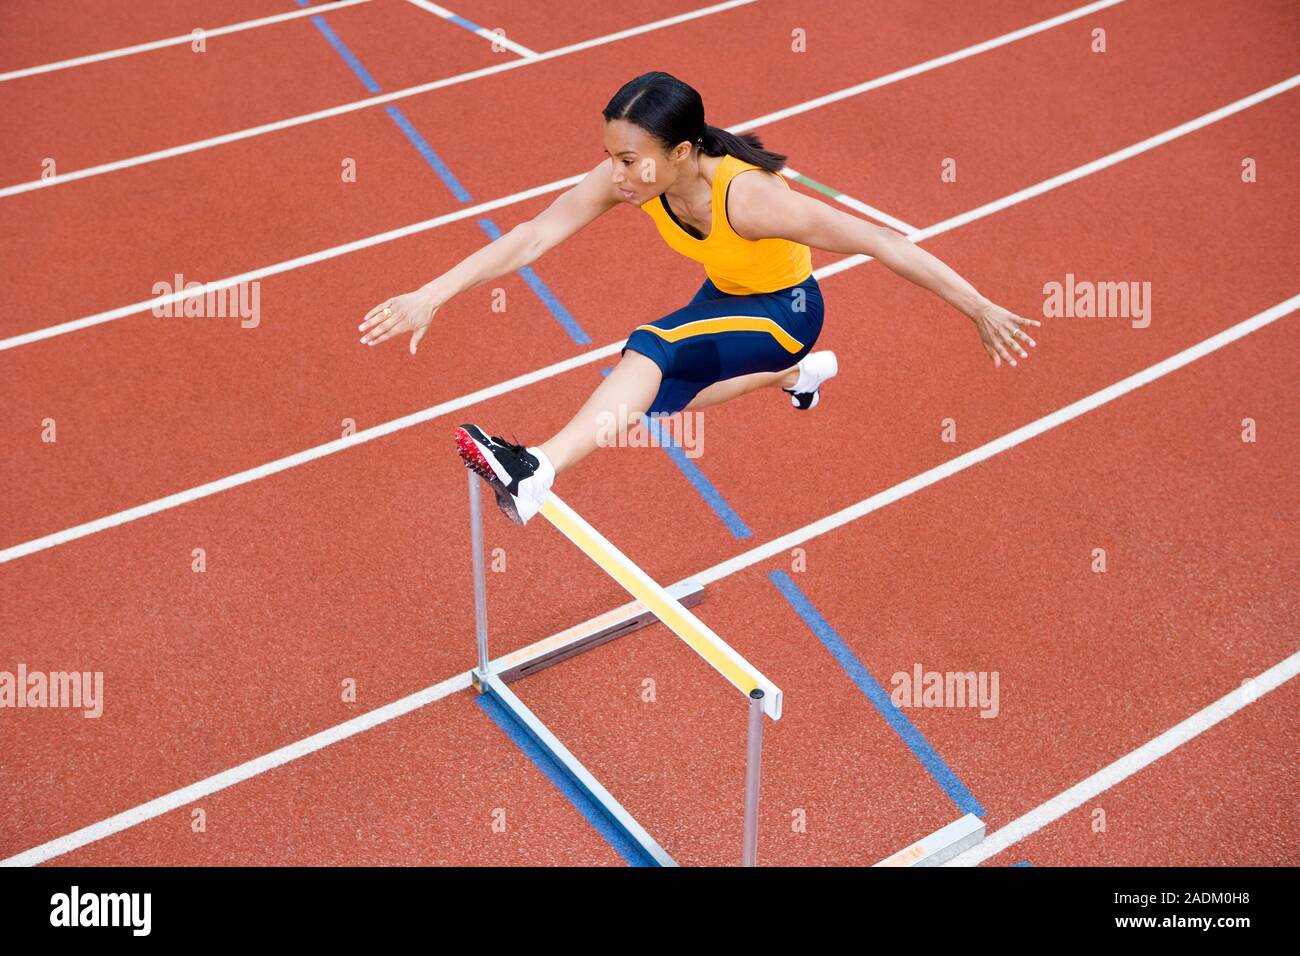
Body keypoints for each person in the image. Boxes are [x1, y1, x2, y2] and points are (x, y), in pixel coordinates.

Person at [358, 72, 1038, 525]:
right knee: (650, 399)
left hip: (786, 312)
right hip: (728, 295)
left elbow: (883, 243)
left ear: (682, 152)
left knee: (652, 346)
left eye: (629, 160)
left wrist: (978, 306)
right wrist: (433, 294)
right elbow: (533, 236)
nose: (616, 174)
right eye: (610, 155)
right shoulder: (631, 179)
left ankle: (535, 469)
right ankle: (803, 377)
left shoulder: (754, 199)